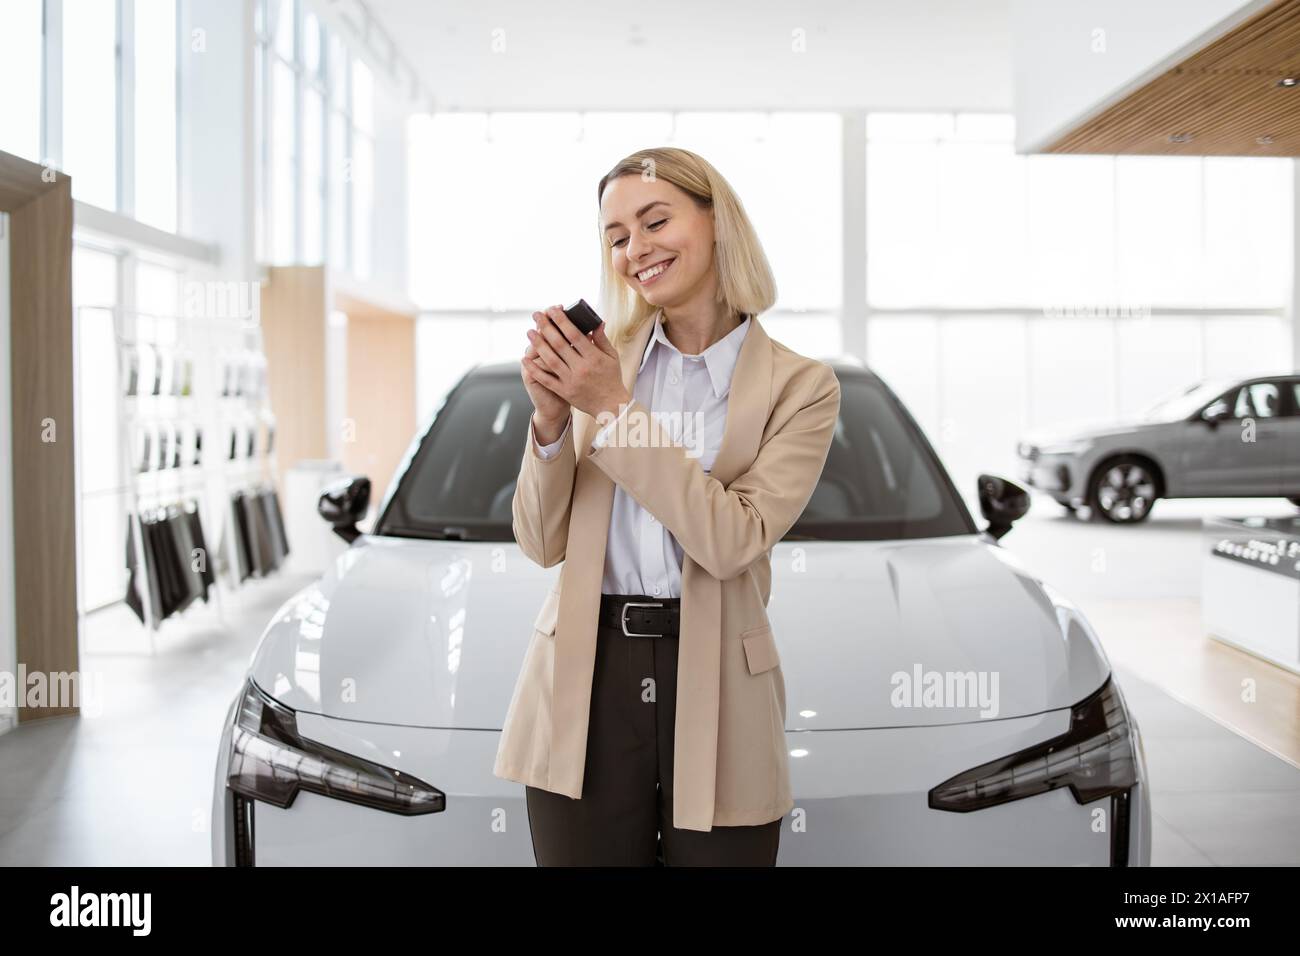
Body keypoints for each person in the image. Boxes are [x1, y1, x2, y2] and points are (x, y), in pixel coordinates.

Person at [493, 146, 841, 866]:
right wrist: (553, 423)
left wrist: (613, 410)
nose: (635, 250)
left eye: (655, 221)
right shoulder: (599, 365)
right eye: (617, 236)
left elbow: (733, 540)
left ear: (717, 223)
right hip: (584, 676)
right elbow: (539, 541)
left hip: (718, 676)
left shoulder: (801, 388)